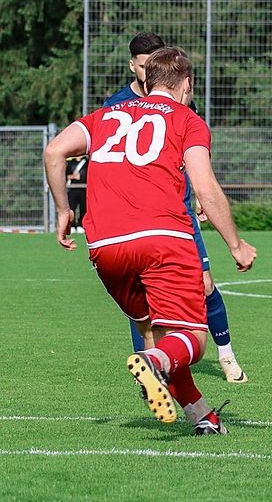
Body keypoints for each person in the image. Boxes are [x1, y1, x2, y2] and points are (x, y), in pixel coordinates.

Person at [44, 47, 257, 435]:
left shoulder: (106, 115)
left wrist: (63, 210)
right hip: (163, 238)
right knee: (191, 340)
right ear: (186, 85)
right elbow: (205, 186)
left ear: (146, 80)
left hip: (106, 244)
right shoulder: (187, 119)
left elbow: (54, 150)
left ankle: (203, 417)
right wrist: (236, 244)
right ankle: (155, 365)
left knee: (153, 336)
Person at [104, 32, 248, 383]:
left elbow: (191, 157)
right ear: (134, 66)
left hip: (178, 210)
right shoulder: (116, 106)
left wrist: (198, 195)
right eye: (142, 65)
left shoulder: (182, 106)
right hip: (140, 217)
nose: (147, 69)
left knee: (205, 284)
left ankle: (226, 355)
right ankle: (152, 367)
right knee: (143, 302)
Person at [66, 155, 88, 233]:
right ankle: (72, 225)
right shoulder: (70, 163)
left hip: (84, 188)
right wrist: (73, 176)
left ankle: (80, 225)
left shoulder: (87, 162)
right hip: (72, 188)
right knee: (72, 207)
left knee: (83, 208)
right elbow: (65, 175)